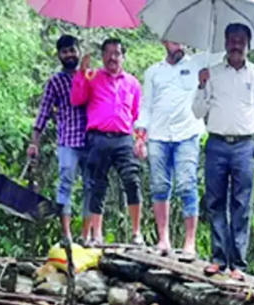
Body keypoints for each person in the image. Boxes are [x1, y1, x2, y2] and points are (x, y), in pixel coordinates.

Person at [194, 23, 254, 281]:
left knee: (241, 204)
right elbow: (197, 112)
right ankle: (217, 259)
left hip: (244, 146)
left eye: (241, 40)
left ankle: (238, 264)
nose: (236, 45)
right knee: (215, 203)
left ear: (248, 45)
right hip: (216, 144)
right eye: (232, 40)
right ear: (225, 43)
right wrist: (201, 85)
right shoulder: (212, 73)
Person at [135, 41, 219, 261]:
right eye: (173, 39)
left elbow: (221, 52)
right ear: (164, 42)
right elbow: (147, 105)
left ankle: (189, 243)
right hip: (159, 134)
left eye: (181, 38)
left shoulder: (198, 62)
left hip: (188, 134)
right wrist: (140, 134)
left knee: (186, 184)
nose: (178, 43)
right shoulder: (154, 71)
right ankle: (163, 239)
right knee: (159, 186)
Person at [70, 38, 144, 247]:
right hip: (99, 137)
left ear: (123, 56)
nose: (112, 57)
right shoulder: (93, 77)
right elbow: (76, 99)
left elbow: (138, 114)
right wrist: (81, 74)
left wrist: (140, 140)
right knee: (97, 185)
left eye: (117, 53)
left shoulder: (132, 83)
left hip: (123, 138)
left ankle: (137, 233)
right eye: (108, 53)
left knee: (132, 180)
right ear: (102, 56)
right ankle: (97, 235)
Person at [28, 35, 90, 244]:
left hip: (91, 140)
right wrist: (34, 141)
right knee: (65, 185)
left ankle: (87, 234)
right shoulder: (55, 82)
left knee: (91, 186)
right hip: (68, 141)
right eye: (65, 52)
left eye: (72, 50)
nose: (69, 55)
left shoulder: (90, 76)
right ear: (59, 55)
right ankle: (66, 235)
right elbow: (44, 112)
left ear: (79, 51)